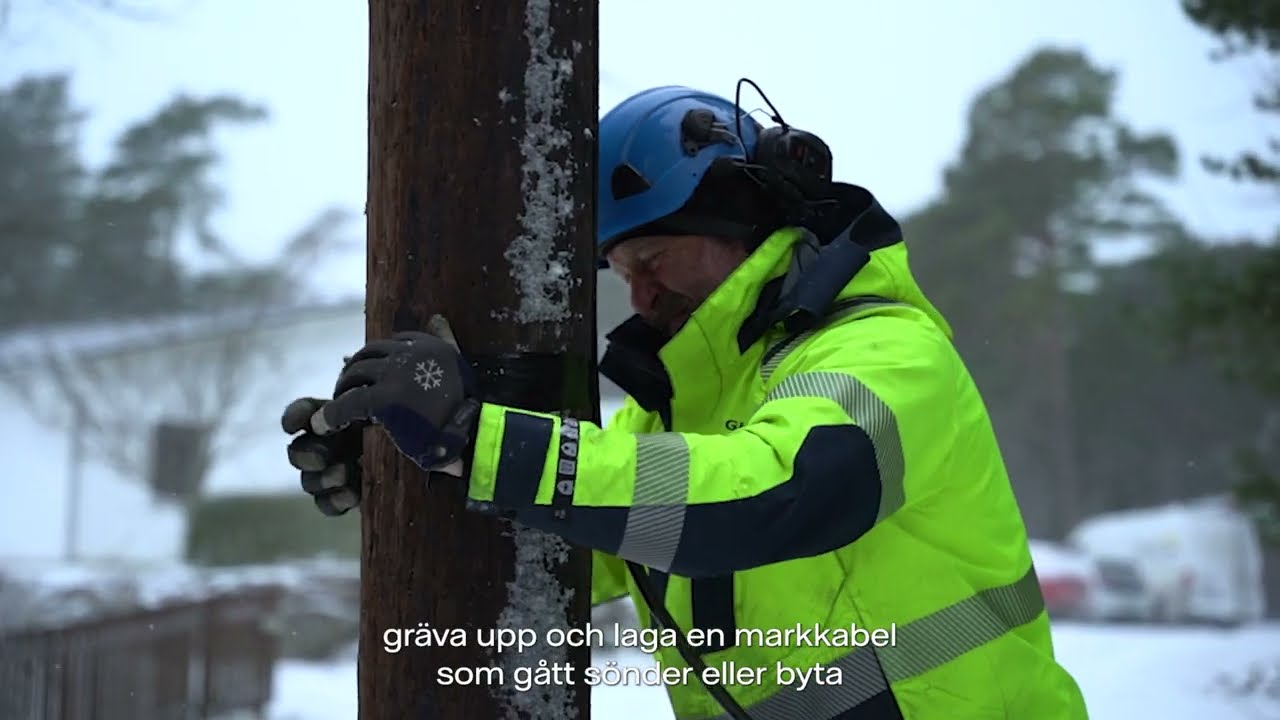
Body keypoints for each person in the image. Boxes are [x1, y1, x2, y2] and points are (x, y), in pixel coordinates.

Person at [281, 83, 1090, 719]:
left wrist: (476, 436)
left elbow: (773, 493)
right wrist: (410, 462)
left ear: (742, 228)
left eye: (655, 257)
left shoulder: (888, 353)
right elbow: (565, 547)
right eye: (623, 270)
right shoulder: (671, 421)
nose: (638, 296)